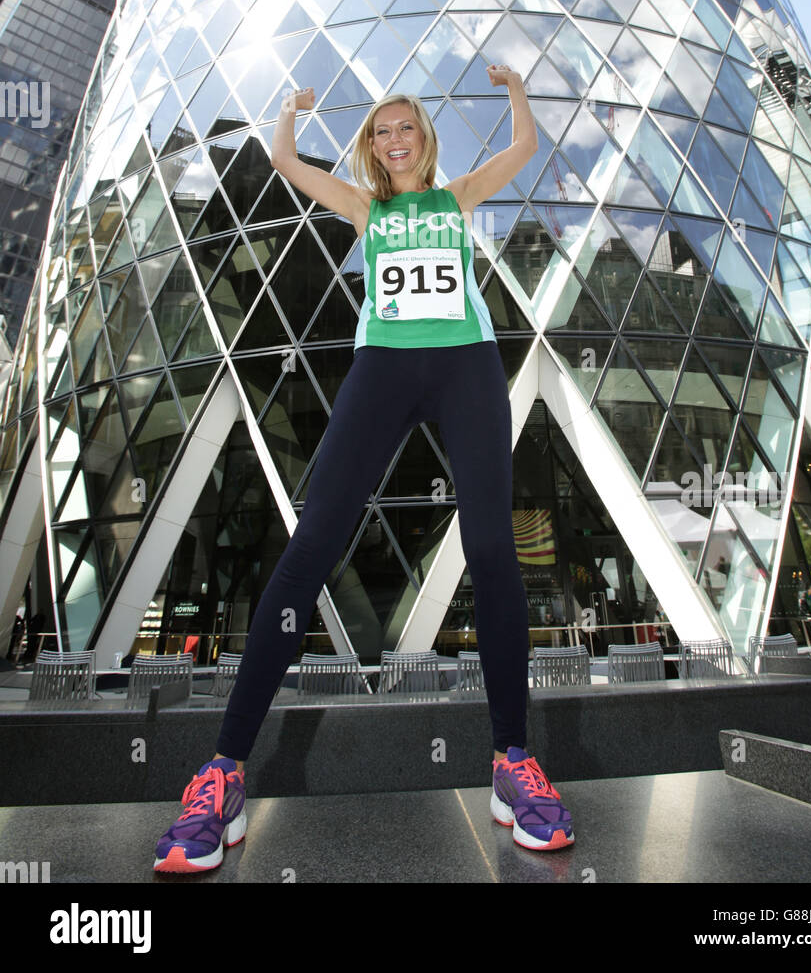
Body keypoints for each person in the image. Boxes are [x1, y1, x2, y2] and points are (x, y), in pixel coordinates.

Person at [153, 70, 575, 873]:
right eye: (380, 132)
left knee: (491, 549)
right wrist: (288, 111)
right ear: (373, 150)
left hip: (466, 365)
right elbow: (285, 167)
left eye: (403, 126)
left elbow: (522, 146)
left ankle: (510, 762)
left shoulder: (454, 199)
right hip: (381, 366)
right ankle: (222, 772)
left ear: (422, 135)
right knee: (310, 547)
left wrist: (518, 87)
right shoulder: (365, 208)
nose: (393, 138)